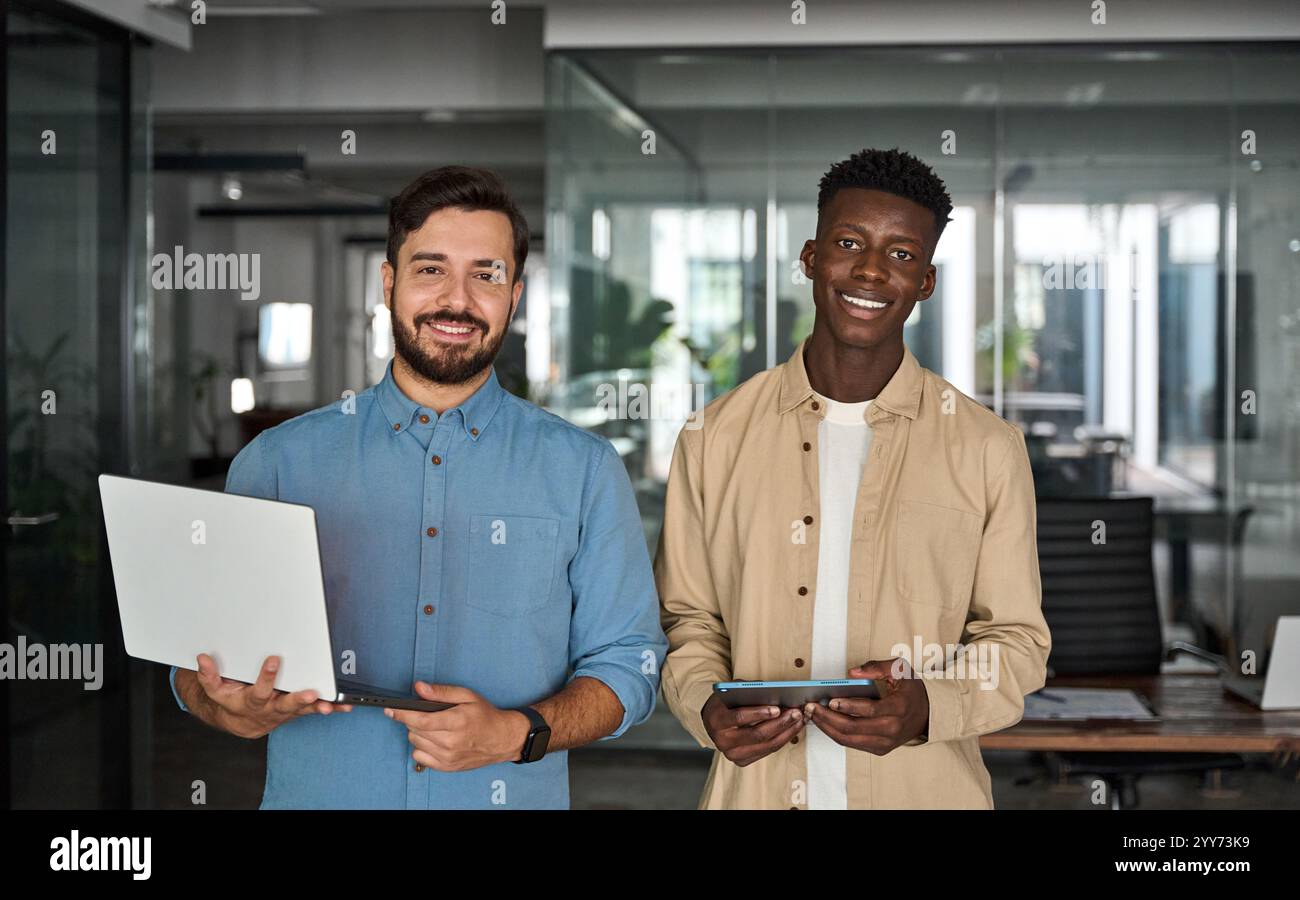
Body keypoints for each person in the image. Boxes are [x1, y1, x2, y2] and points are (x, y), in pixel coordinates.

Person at [170, 165, 666, 809]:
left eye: (486, 274)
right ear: (389, 283)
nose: (457, 300)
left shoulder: (585, 470)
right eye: (431, 269)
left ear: (514, 295)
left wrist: (518, 733)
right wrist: (229, 708)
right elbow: (194, 664)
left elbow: (629, 663)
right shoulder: (276, 463)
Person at [656, 147, 1051, 809]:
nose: (871, 270)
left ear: (925, 281)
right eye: (849, 244)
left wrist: (930, 705)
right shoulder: (713, 438)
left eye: (901, 253)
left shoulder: (987, 448)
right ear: (811, 258)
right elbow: (687, 620)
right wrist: (703, 701)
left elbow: (1016, 642)